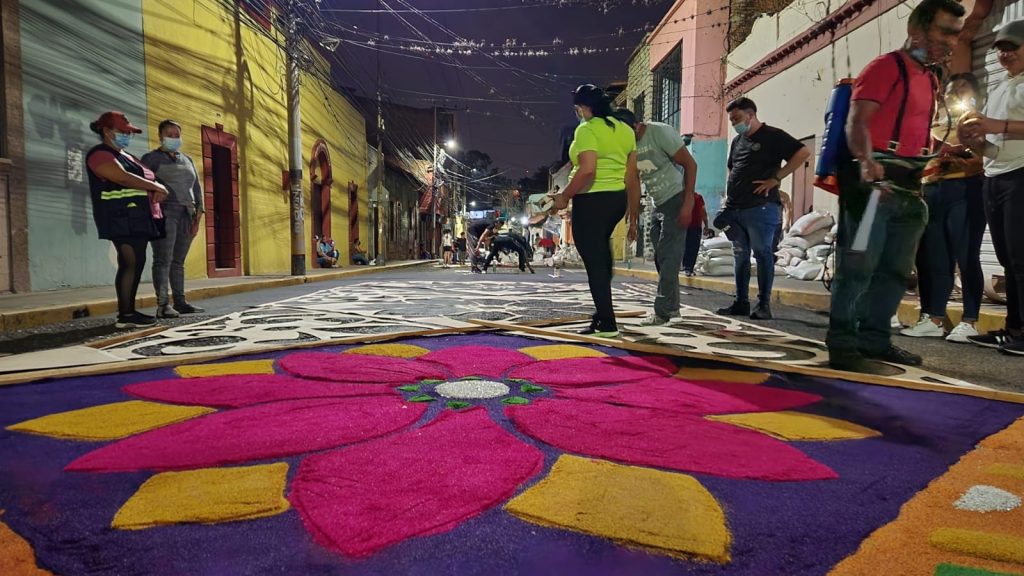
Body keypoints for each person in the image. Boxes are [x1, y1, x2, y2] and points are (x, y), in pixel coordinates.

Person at [827, 0, 964, 372]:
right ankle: (842, 344)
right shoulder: (885, 68)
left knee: (895, 272)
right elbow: (858, 122)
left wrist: (948, 148)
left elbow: (913, 132)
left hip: (910, 191)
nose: (952, 40)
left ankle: (875, 340)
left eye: (956, 32)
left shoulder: (930, 79)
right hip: (873, 188)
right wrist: (866, 161)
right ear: (916, 30)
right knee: (858, 268)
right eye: (945, 31)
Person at [901, 73, 986, 343]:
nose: (955, 95)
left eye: (963, 90)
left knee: (966, 255)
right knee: (937, 259)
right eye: (951, 91)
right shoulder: (933, 123)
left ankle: (970, 320)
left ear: (975, 95)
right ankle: (935, 318)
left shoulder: (979, 121)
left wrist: (968, 160)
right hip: (932, 190)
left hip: (965, 190)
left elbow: (992, 157)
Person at [552, 84, 641, 337]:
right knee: (601, 255)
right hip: (616, 199)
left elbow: (588, 169)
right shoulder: (624, 129)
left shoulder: (587, 130)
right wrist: (633, 213)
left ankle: (607, 323)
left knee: (595, 263)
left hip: (592, 200)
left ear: (582, 108)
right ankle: (603, 312)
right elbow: (632, 174)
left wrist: (564, 196)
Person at [960, 19, 1024, 355]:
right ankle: (1014, 329)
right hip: (995, 174)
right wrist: (974, 142)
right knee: (1007, 258)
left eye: (1013, 47)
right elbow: (995, 142)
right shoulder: (1000, 88)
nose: (1005, 54)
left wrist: (997, 124)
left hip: (1021, 175)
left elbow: (1002, 127)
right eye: (1000, 48)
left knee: (1020, 257)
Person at [716, 97, 811, 320]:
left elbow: (803, 153)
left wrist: (776, 179)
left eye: (737, 118)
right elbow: (733, 169)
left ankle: (763, 304)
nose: (734, 123)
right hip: (736, 209)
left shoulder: (773, 136)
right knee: (740, 255)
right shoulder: (738, 141)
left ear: (751, 115)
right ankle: (741, 302)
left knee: (762, 253)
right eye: (731, 120)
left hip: (761, 208)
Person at [612, 107, 699, 325]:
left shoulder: (659, 132)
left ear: (634, 126)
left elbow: (691, 164)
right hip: (657, 203)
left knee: (670, 256)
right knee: (662, 258)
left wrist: (688, 203)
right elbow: (633, 186)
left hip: (677, 197)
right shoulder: (629, 148)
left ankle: (662, 312)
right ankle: (673, 309)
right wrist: (633, 222)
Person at [85, 111, 169, 329]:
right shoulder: (99, 154)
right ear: (106, 131)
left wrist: (158, 188)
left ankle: (129, 312)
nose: (127, 136)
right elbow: (119, 176)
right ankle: (126, 314)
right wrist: (156, 187)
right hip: (120, 217)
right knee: (130, 262)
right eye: (122, 132)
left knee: (136, 261)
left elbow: (147, 177)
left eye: (129, 133)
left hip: (137, 217)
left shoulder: (127, 156)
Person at [141, 120, 205, 318]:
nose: (174, 138)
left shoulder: (187, 160)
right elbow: (143, 184)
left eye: (177, 135)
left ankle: (180, 301)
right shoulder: (151, 159)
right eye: (170, 134)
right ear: (160, 136)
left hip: (187, 214)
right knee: (163, 259)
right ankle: (163, 305)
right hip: (164, 213)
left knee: (178, 261)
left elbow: (196, 189)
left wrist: (198, 216)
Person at [682, 192, 709, 277]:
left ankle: (689, 267)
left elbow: (703, 211)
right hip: (684, 226)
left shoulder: (698, 197)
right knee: (686, 247)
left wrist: (706, 225)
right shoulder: (682, 196)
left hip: (695, 226)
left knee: (693, 248)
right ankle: (686, 267)